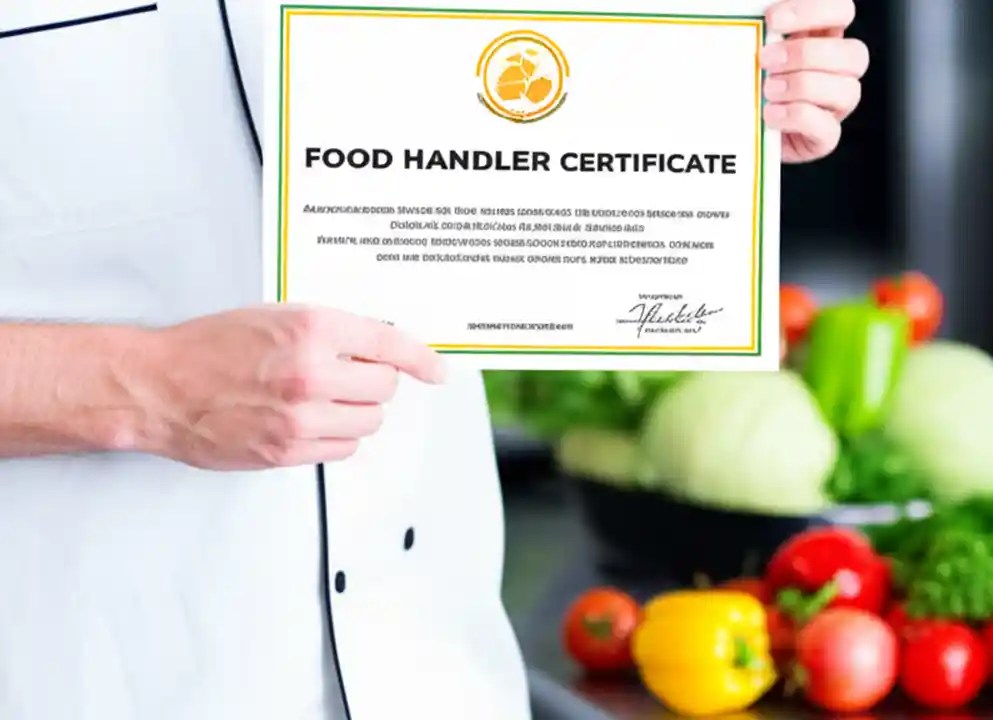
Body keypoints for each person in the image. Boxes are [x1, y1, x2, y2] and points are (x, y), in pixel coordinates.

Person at [0, 1, 869, 718]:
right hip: (85, 680)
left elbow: (547, 87)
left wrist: (738, 91)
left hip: (442, 674)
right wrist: (149, 388)